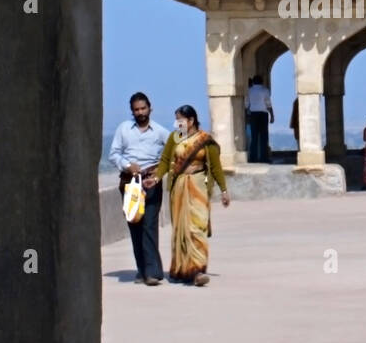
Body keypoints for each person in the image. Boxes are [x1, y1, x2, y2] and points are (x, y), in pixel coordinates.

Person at [153, 105, 230, 286]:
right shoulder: (175, 138)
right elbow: (165, 161)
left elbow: (216, 168)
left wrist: (224, 190)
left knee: (197, 226)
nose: (177, 124)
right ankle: (183, 269)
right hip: (179, 188)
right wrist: (156, 178)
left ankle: (197, 270)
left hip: (198, 186)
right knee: (181, 229)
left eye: (180, 120)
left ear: (191, 121)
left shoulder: (205, 140)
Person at [109, 92, 170, 286]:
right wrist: (127, 165)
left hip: (151, 181)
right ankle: (142, 270)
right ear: (132, 111)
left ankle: (152, 272)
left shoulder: (160, 132)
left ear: (150, 108)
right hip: (129, 183)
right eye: (136, 109)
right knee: (135, 226)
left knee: (149, 225)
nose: (140, 112)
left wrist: (160, 169)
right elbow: (114, 154)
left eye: (143, 108)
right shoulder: (124, 129)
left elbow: (172, 152)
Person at [245, 75, 274, 162]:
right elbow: (268, 104)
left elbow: (246, 104)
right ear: (262, 81)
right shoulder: (265, 90)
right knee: (264, 137)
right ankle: (263, 158)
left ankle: (253, 158)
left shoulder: (249, 91)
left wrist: (247, 115)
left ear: (253, 81)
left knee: (254, 137)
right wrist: (272, 115)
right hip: (263, 114)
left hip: (253, 114)